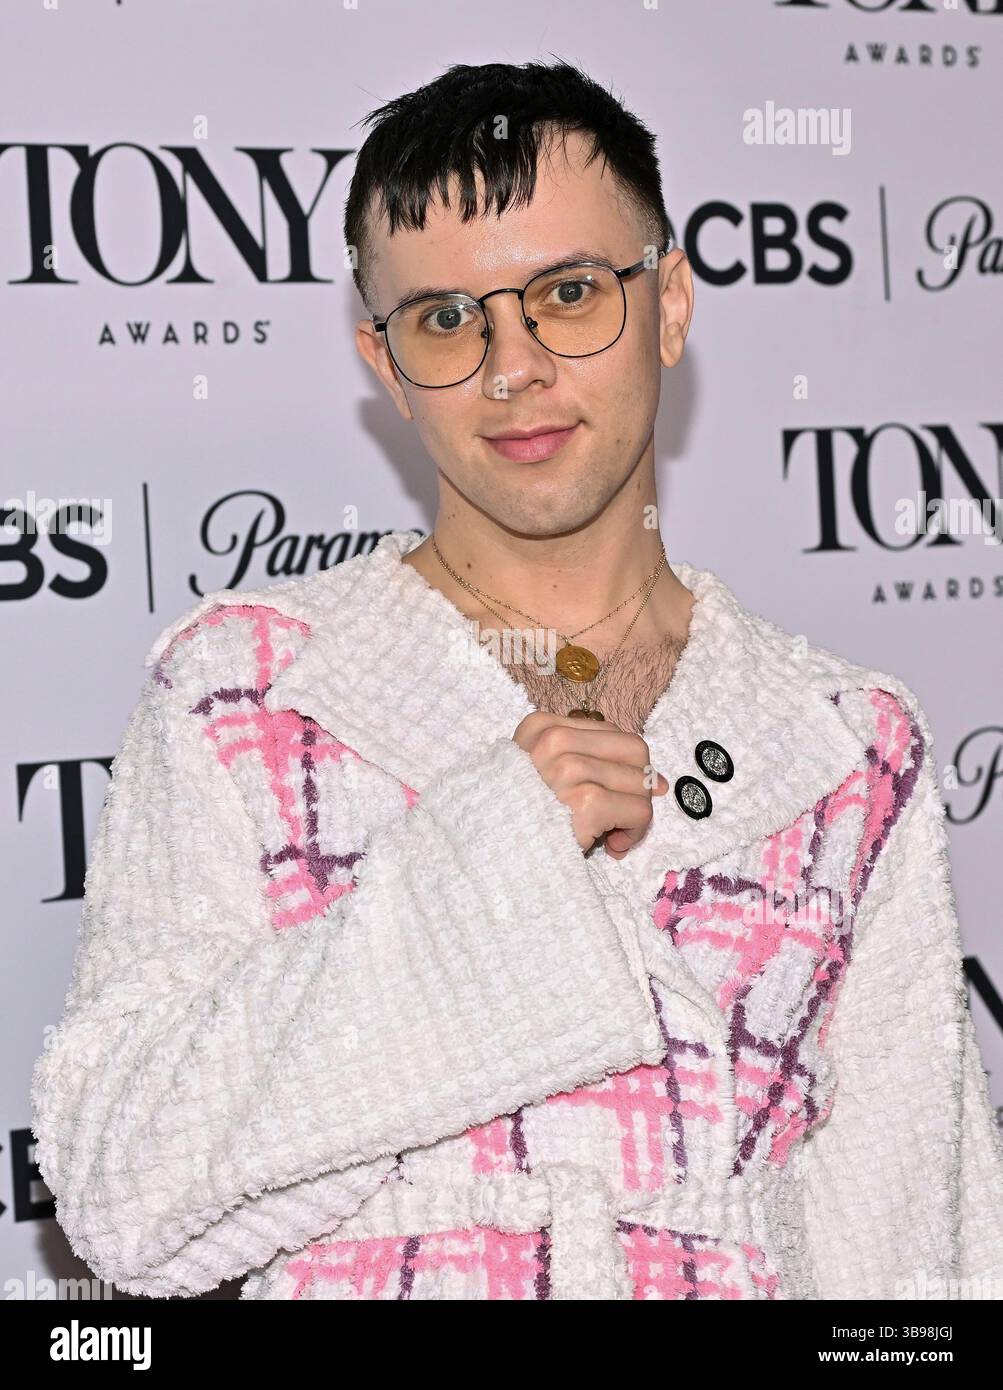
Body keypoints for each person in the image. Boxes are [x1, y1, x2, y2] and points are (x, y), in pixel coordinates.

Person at [31, 58, 1003, 1301]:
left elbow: (918, 1245)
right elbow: (122, 1189)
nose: (512, 368)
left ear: (669, 305)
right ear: (383, 362)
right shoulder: (250, 695)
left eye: (568, 293)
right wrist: (489, 867)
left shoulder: (844, 742)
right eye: (448, 319)